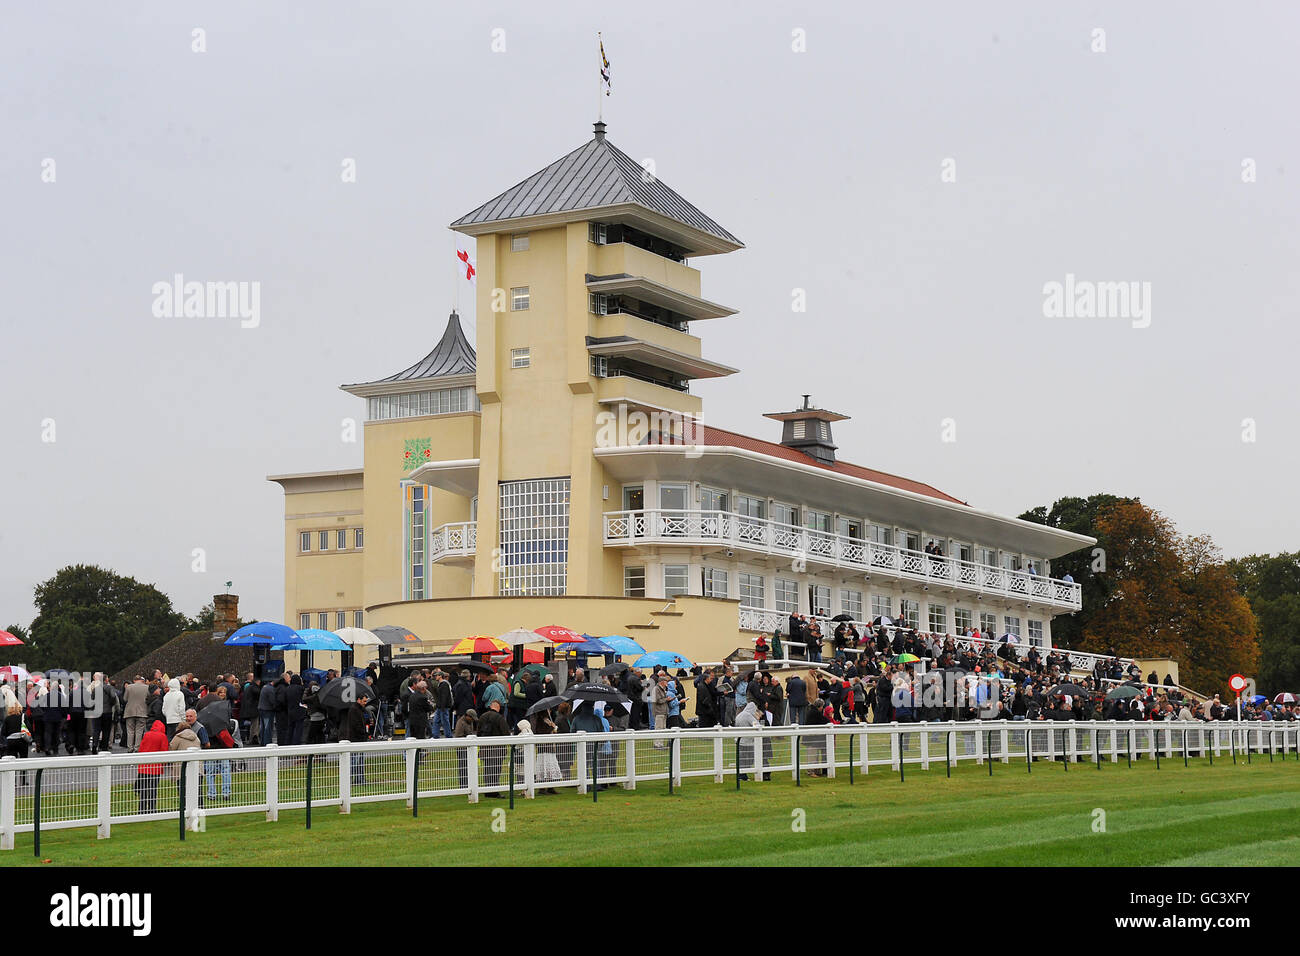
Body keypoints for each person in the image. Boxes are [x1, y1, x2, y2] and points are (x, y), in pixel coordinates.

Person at [477, 699, 509, 795]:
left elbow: (478, 732)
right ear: (498, 707)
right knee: (495, 770)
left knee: (487, 769)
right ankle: (494, 791)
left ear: (491, 706)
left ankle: (487, 790)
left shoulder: (482, 717)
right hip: (497, 749)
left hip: (485, 748)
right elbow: (506, 733)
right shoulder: (499, 718)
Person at [136, 720, 169, 813]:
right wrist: (163, 764)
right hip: (156, 767)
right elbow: (164, 751)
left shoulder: (146, 734)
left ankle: (141, 810)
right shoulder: (163, 736)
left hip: (144, 766)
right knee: (153, 789)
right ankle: (152, 809)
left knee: (143, 789)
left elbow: (141, 749)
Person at [340, 689, 371, 786]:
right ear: (359, 700)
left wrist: (368, 722)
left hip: (361, 738)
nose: (365, 703)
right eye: (364, 701)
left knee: (360, 760)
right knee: (354, 761)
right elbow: (356, 725)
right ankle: (348, 779)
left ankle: (360, 778)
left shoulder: (362, 710)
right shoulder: (354, 709)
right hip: (355, 739)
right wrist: (364, 732)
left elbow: (364, 722)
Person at [453, 708, 477, 788]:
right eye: (472, 718)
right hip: (462, 748)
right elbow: (459, 737)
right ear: (467, 716)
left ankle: (469, 783)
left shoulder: (469, 722)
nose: (472, 720)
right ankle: (463, 785)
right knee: (463, 766)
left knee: (469, 766)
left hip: (468, 747)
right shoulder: (461, 723)